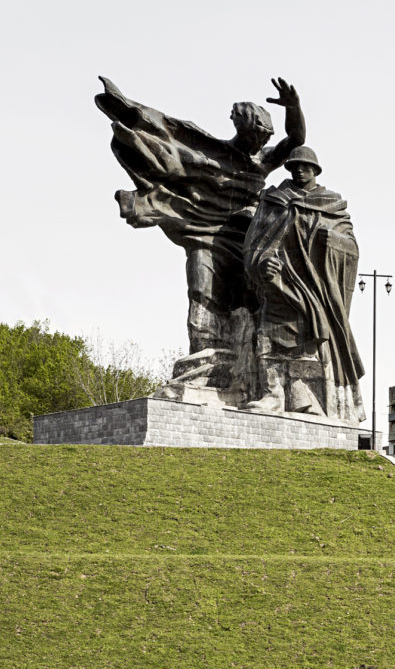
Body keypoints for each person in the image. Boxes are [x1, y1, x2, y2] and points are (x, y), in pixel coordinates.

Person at [95, 77, 306, 389]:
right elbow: (166, 140)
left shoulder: (263, 161)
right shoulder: (211, 156)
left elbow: (296, 138)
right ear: (243, 130)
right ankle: (204, 363)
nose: (261, 144)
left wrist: (294, 107)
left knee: (252, 303)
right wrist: (131, 117)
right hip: (203, 232)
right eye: (256, 137)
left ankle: (249, 374)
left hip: (246, 241)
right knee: (201, 293)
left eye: (264, 138)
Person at [242, 147, 365, 421]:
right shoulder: (274, 200)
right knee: (267, 334)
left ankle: (304, 397)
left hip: (315, 288)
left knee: (307, 342)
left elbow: (352, 249)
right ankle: (272, 395)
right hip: (279, 281)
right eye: (294, 165)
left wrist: (331, 240)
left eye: (305, 166)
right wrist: (262, 263)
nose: (299, 170)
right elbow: (253, 243)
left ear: (316, 170)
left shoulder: (331, 204)